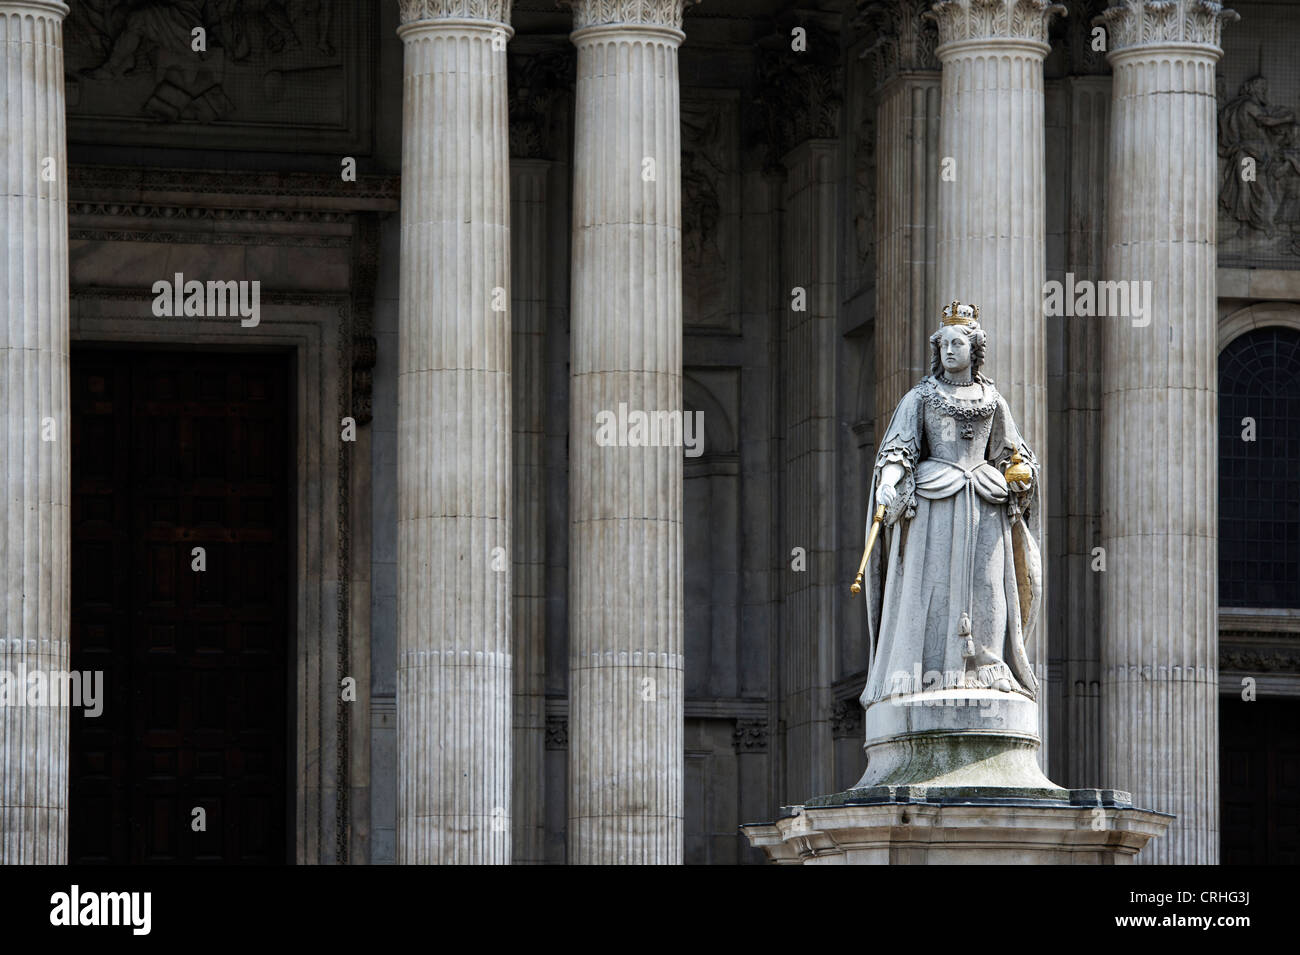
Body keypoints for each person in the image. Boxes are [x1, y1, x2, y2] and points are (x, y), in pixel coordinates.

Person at [860, 302, 1041, 707]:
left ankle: (989, 665)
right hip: (934, 500)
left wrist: (1022, 473)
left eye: (958, 343)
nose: (949, 350)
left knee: (989, 584)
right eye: (943, 344)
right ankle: (926, 666)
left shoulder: (993, 400)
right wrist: (887, 484)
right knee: (932, 584)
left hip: (984, 501)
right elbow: (899, 449)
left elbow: (1012, 452)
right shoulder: (920, 397)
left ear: (974, 349)